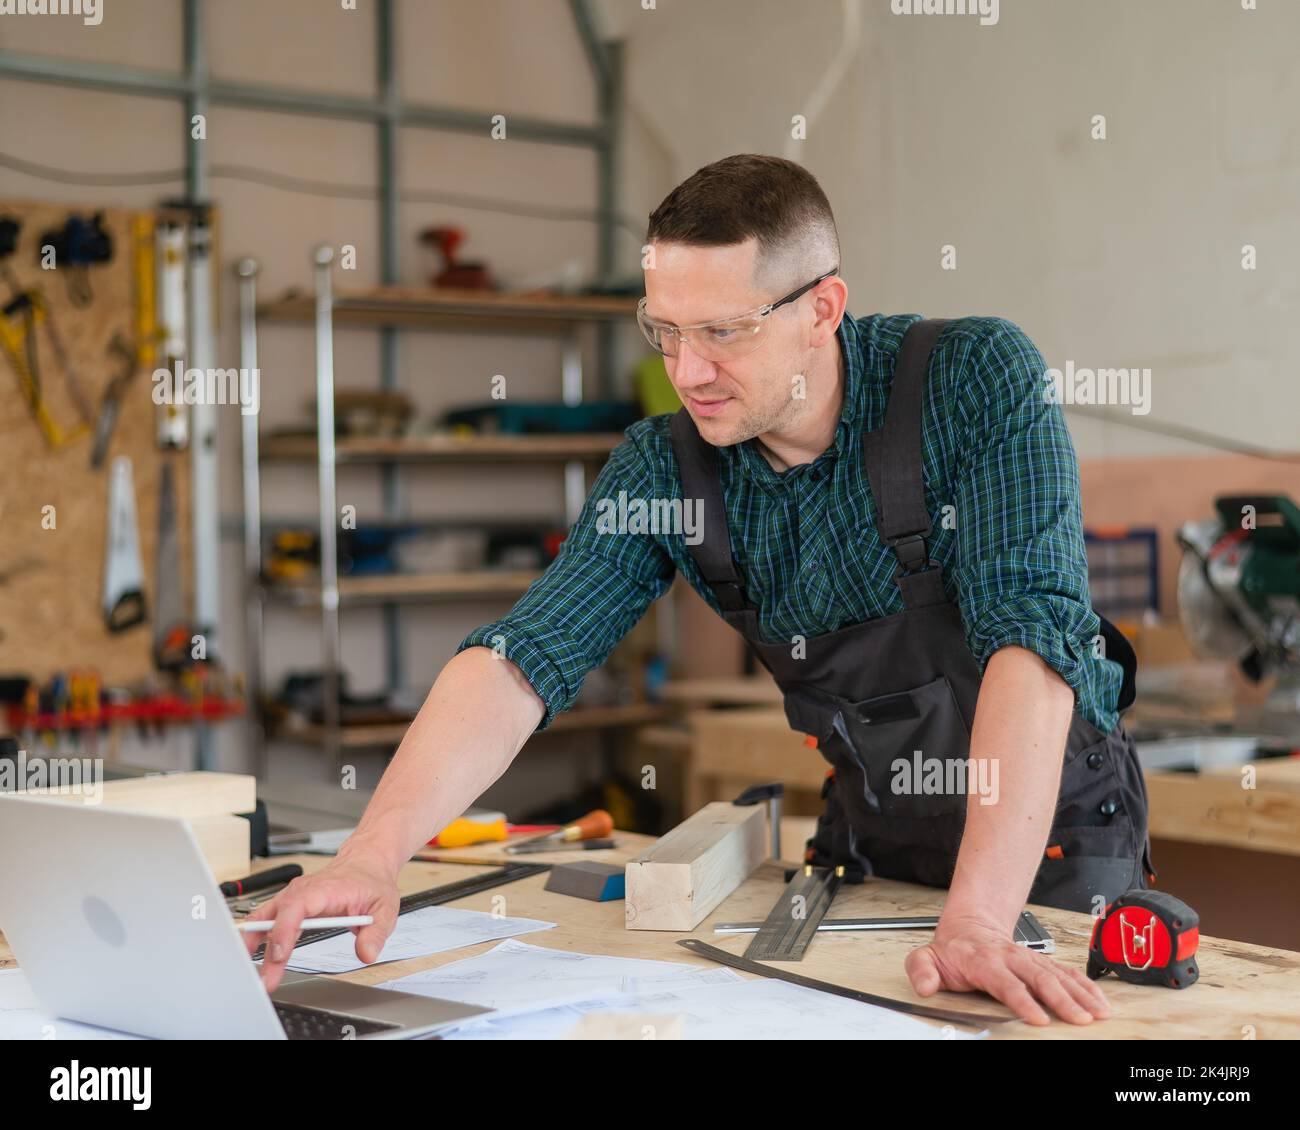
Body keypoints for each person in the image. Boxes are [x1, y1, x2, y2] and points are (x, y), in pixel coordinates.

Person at [247, 154, 1152, 1026]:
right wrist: (372, 857)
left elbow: (1031, 640)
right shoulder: (665, 470)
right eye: (665, 331)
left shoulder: (972, 381)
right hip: (874, 849)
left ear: (822, 309)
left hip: (1051, 853)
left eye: (723, 331)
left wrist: (981, 921)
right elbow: (524, 657)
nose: (687, 372)